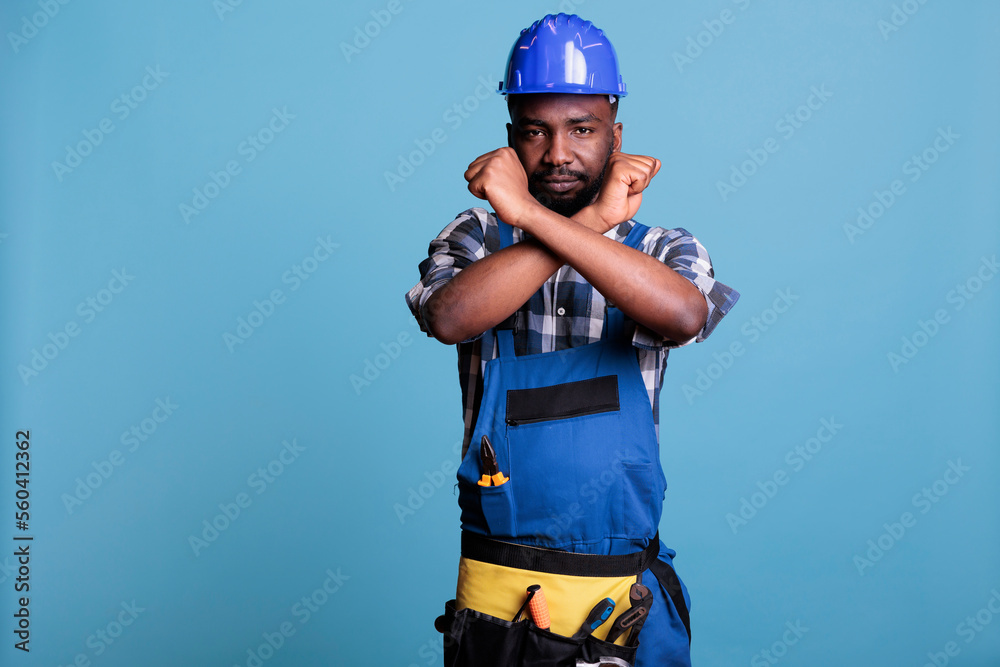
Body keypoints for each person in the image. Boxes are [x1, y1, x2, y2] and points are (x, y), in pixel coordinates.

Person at [405, 13, 739, 667]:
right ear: (510, 140)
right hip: (500, 595)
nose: (558, 153)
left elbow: (683, 317)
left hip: (622, 598)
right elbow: (450, 317)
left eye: (582, 129)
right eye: (536, 131)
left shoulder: (664, 248)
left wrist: (529, 214)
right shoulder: (475, 236)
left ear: (618, 135)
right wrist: (585, 221)